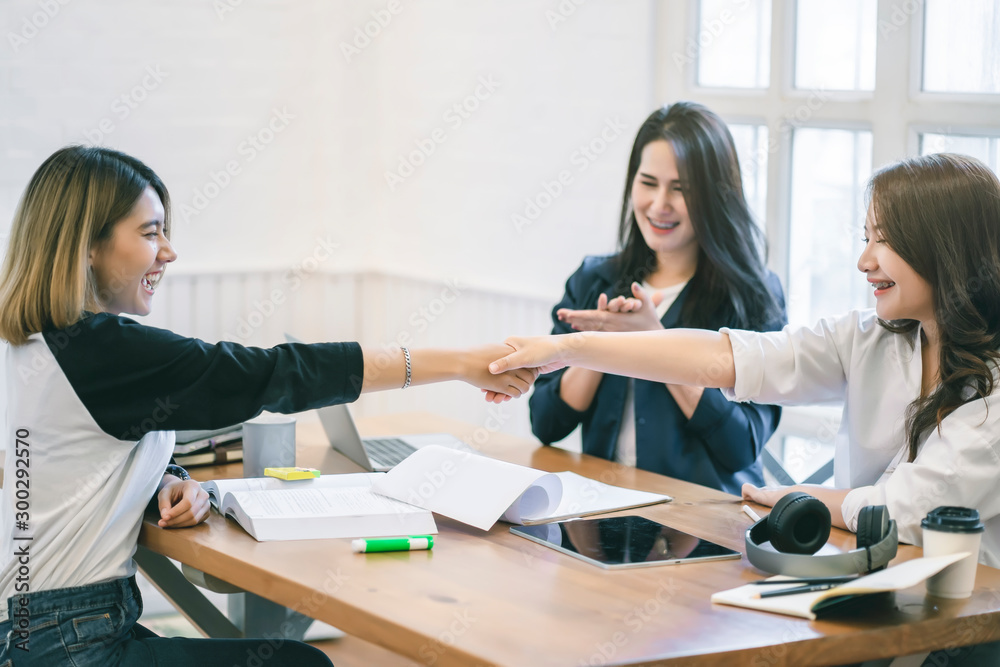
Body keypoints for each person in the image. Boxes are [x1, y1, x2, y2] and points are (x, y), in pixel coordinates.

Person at [0, 146, 537, 666]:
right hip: (68, 641)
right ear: (87, 246)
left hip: (28, 630)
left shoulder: (35, 344)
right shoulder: (105, 351)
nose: (168, 250)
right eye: (150, 232)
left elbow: (68, 462)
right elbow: (274, 374)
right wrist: (463, 362)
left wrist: (166, 481)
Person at [493, 152, 1000, 666]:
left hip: (965, 629)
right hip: (877, 595)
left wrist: (803, 497)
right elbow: (726, 357)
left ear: (943, 249)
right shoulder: (874, 337)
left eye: (882, 240)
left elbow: (906, 511)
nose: (864, 260)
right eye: (864, 238)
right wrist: (570, 349)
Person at [528, 102, 786, 495]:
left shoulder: (752, 295)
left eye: (681, 189)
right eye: (648, 183)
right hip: (604, 513)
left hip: (705, 527)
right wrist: (602, 346)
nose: (659, 204)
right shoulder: (596, 278)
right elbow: (546, 425)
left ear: (716, 197)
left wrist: (655, 342)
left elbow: (741, 446)